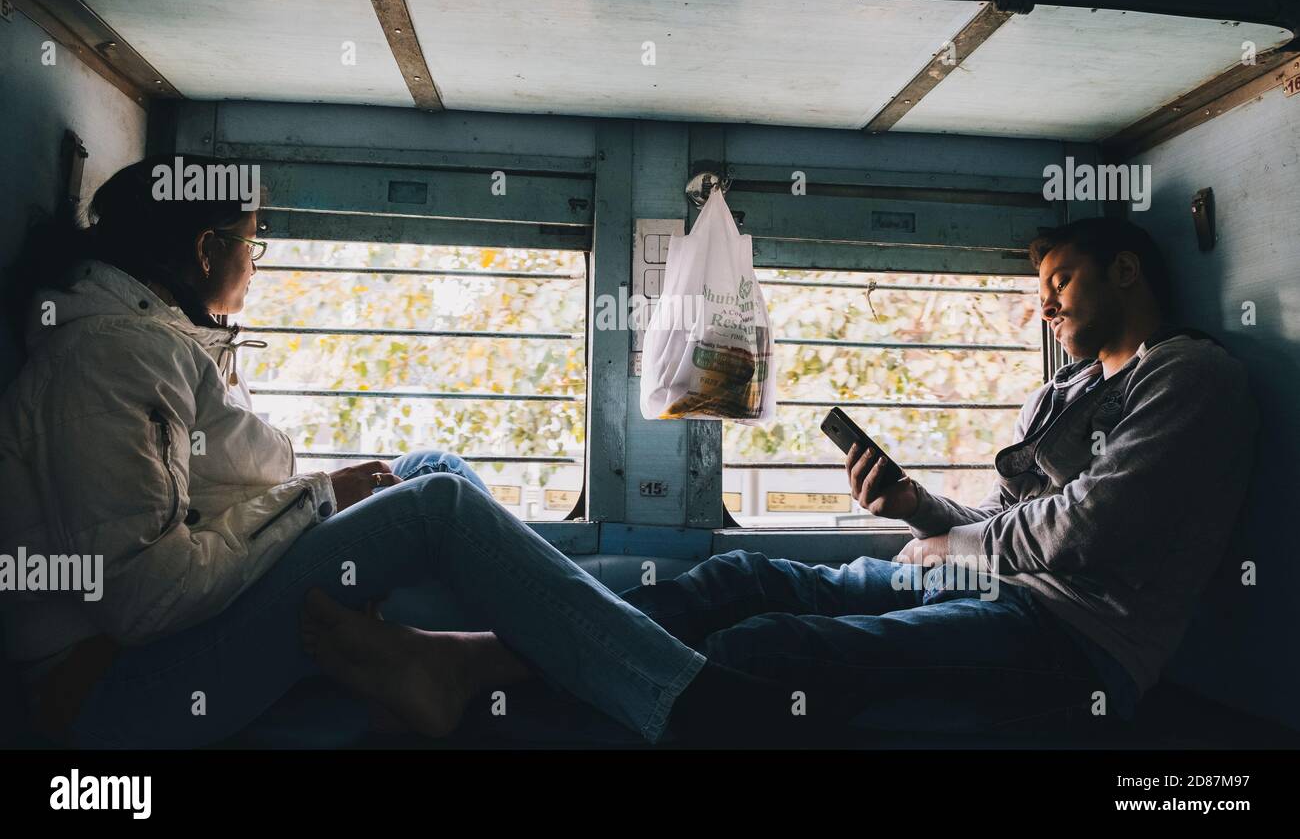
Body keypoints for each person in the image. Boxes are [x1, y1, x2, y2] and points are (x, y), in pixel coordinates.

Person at [0, 163, 1258, 747]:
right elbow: (135, 584)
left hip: (1068, 632)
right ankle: (495, 658)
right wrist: (922, 510)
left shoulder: (1189, 378)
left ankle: (540, 679)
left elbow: (1080, 537)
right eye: (1038, 284)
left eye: (1059, 280)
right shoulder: (120, 351)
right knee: (732, 574)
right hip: (120, 672)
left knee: (781, 641)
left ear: (1129, 269)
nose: (1045, 303)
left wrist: (938, 535)